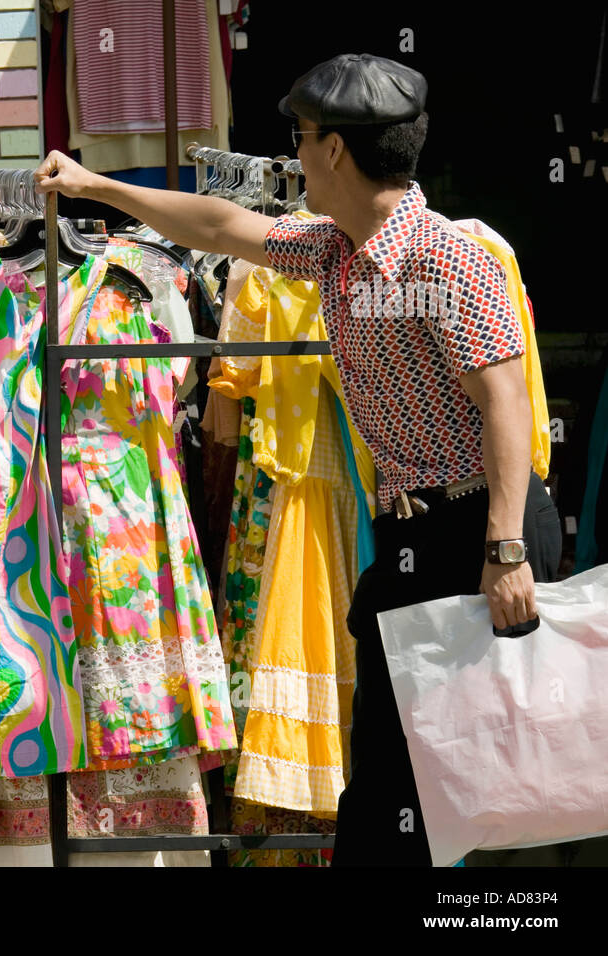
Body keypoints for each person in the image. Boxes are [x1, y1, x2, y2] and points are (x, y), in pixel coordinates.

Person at [34, 53, 562, 866]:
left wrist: (505, 550)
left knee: (482, 777)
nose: (296, 154)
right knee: (395, 775)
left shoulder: (448, 259)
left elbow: (507, 404)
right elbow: (217, 225)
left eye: (303, 138)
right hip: (422, 531)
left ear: (338, 152)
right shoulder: (334, 250)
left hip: (484, 528)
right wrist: (97, 187)